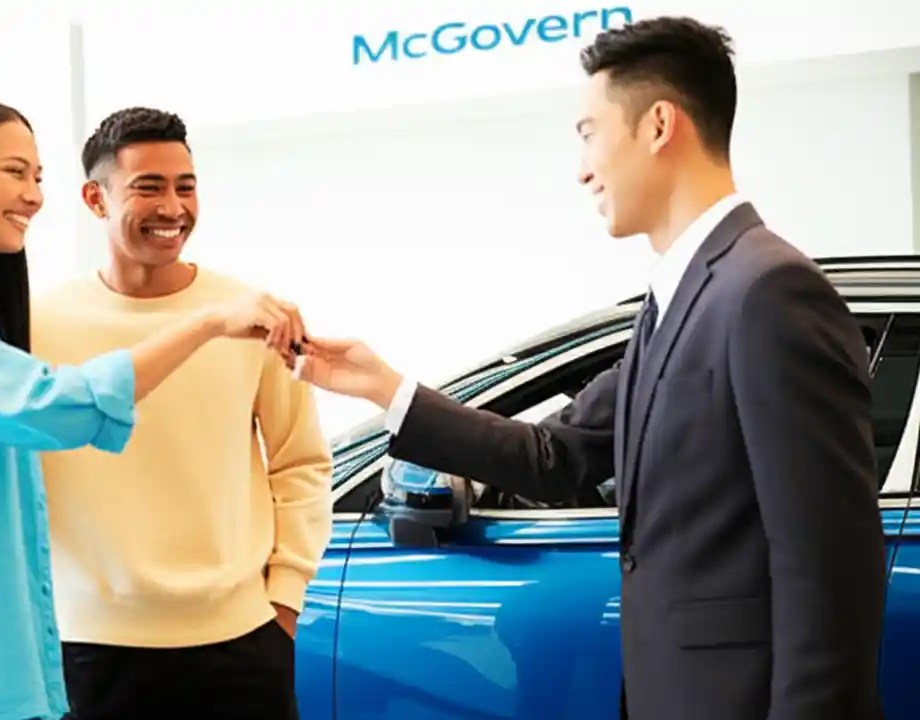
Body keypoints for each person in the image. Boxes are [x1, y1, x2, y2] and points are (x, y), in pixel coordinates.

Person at [296, 17, 885, 720]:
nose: (581, 167)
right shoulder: (679, 300)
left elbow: (830, 571)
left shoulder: (766, 292)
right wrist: (384, 389)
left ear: (659, 124)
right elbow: (557, 457)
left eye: (588, 132)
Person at [0, 94, 307, 720]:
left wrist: (282, 597)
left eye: (38, 176)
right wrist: (204, 324)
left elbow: (301, 463)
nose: (34, 195)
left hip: (12, 657)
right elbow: (54, 408)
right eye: (14, 172)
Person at [31, 107, 333, 719]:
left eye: (185, 186)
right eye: (148, 187)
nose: (173, 208)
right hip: (89, 648)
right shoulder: (40, 324)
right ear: (95, 198)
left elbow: (300, 463)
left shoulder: (253, 313)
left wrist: (284, 603)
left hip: (243, 643)